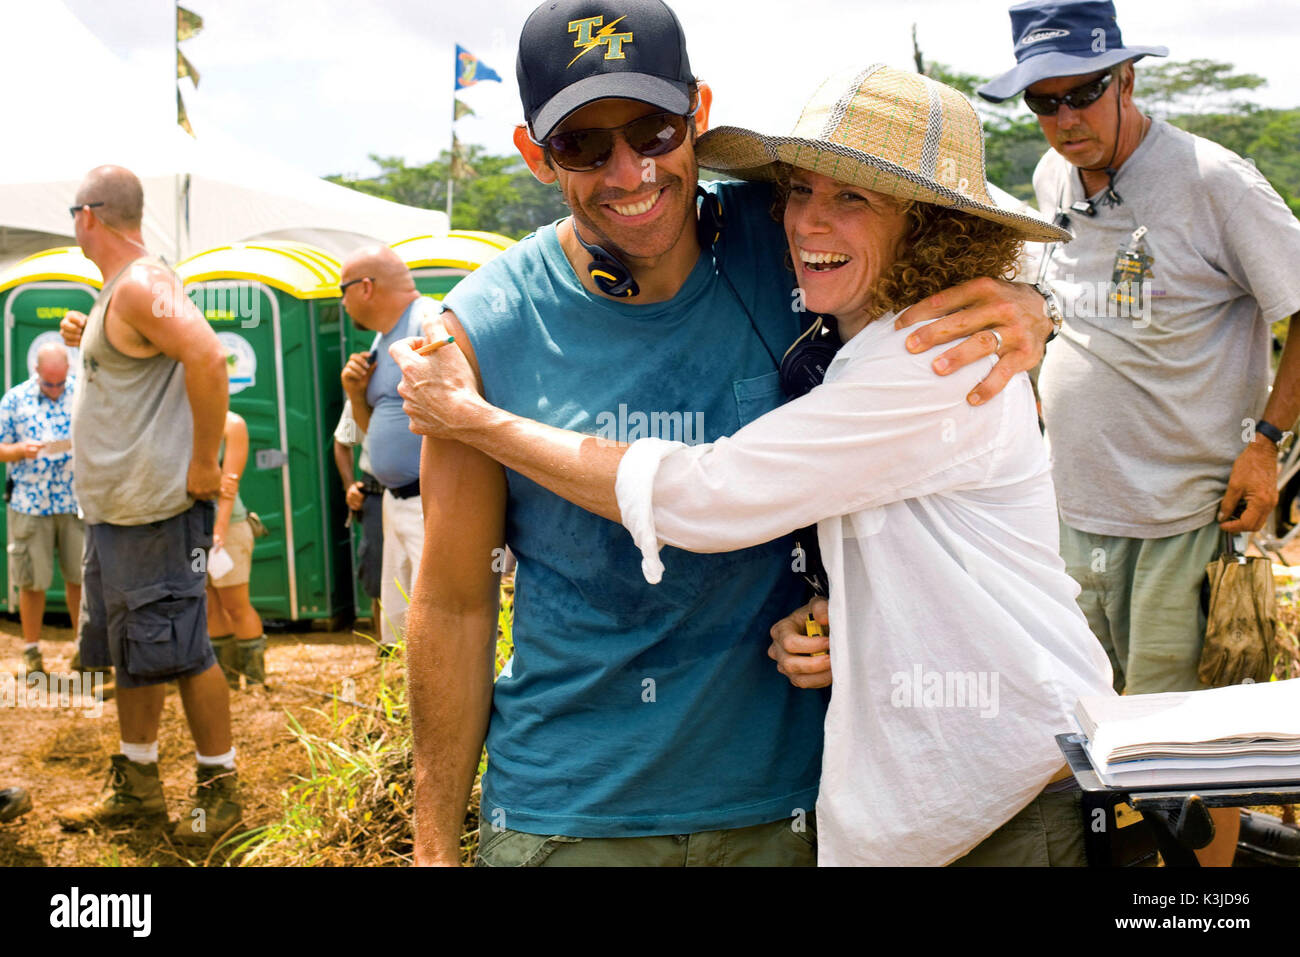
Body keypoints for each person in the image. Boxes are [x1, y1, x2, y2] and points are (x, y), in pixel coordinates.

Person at [395, 64, 1117, 867]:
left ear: (932, 225)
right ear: (539, 155)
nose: (810, 221)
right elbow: (454, 597)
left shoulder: (936, 352)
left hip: (995, 796)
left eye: (855, 197)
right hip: (598, 808)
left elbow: (707, 498)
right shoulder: (840, 313)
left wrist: (477, 421)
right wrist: (858, 624)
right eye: (801, 191)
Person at [978, 0, 1300, 865]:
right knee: (1091, 733)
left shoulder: (1211, 181)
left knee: (1186, 752)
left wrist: (1267, 440)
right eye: (1042, 103)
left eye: (1082, 93)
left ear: (1127, 76)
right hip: (1071, 515)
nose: (1064, 120)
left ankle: (1198, 909)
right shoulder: (1053, 181)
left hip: (1184, 518)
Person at [55, 165, 241, 845]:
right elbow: (145, 359)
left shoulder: (142, 283)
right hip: (118, 512)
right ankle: (137, 782)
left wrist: (202, 462)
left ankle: (220, 789)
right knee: (133, 652)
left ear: (89, 216)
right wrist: (92, 341)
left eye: (71, 211)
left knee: (184, 650)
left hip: (154, 508)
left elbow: (208, 359)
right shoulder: (123, 290)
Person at [337, 247, 435, 655]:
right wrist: (356, 394)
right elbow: (370, 429)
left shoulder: (427, 321)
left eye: (342, 291)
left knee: (433, 621)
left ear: (365, 288)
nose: (341, 303)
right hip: (395, 502)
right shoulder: (383, 338)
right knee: (397, 624)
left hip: (430, 501)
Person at [0, 342, 82, 677]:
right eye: (50, 383)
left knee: (79, 578)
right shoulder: (15, 399)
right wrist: (19, 450)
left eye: (60, 382)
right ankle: (31, 651)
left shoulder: (80, 394)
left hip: (73, 501)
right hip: (31, 503)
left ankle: (84, 649)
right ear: (37, 372)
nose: (56, 389)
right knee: (31, 581)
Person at [206, 410, 266, 687]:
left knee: (236, 605)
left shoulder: (232, 424)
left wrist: (219, 529)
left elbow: (229, 486)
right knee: (209, 603)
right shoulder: (179, 418)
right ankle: (226, 679)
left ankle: (255, 680)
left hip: (228, 531)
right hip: (195, 534)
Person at [333, 400, 384, 630]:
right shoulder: (362, 392)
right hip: (376, 493)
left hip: (423, 491)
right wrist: (349, 486)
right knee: (378, 573)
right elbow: (343, 442)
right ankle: (387, 647)